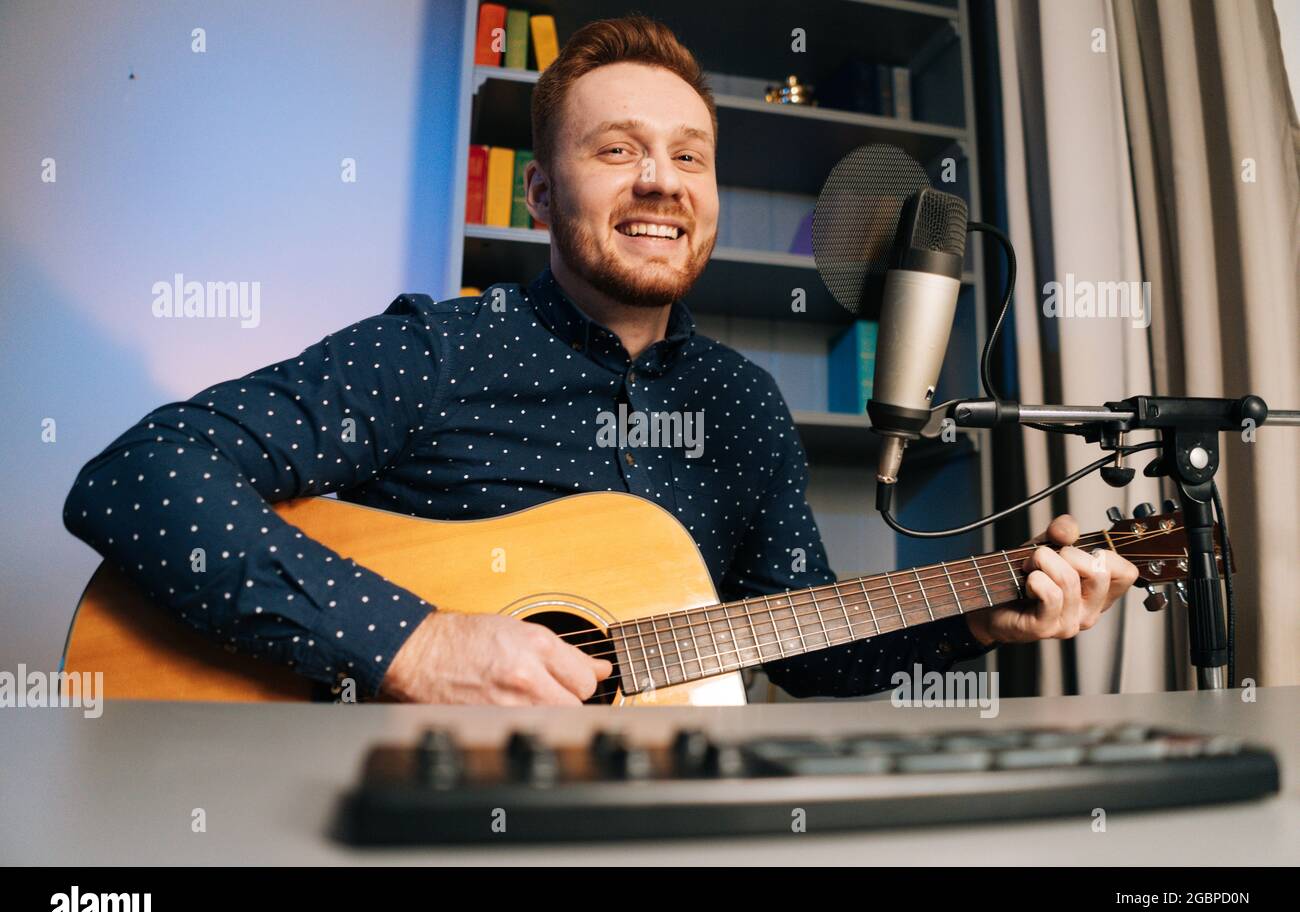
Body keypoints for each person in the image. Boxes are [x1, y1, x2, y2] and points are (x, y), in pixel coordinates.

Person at [64, 16, 1138, 705]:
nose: (661, 183)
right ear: (540, 196)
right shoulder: (439, 347)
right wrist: (410, 642)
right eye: (615, 150)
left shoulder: (744, 407)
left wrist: (978, 616)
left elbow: (814, 653)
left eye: (688, 156)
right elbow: (138, 478)